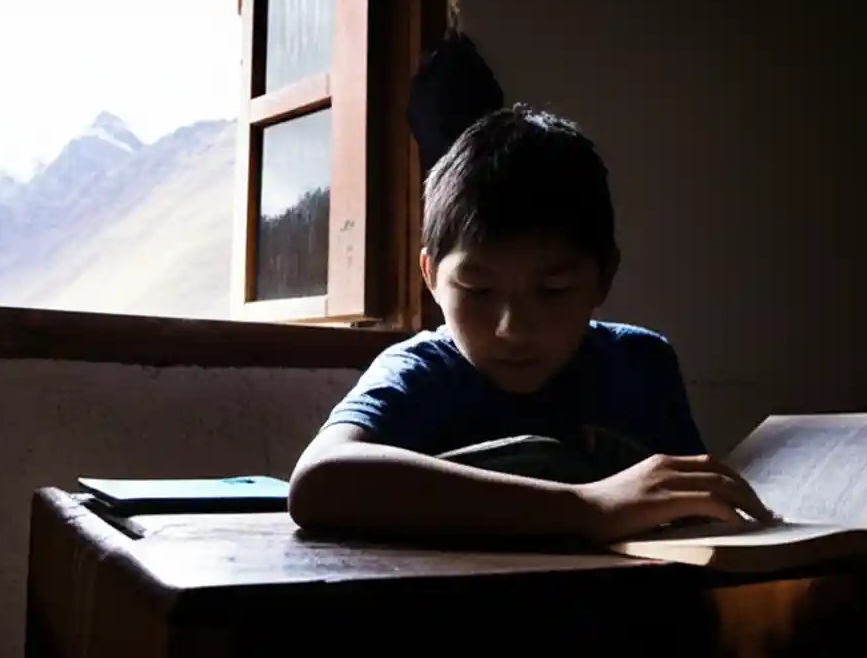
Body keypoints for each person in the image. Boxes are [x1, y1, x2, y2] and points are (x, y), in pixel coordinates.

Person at [288, 105, 776, 544]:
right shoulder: (420, 375)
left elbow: (691, 510)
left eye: (555, 291)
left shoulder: (640, 365)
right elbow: (319, 481)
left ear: (604, 278)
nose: (513, 328)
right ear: (431, 277)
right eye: (479, 291)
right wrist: (589, 508)